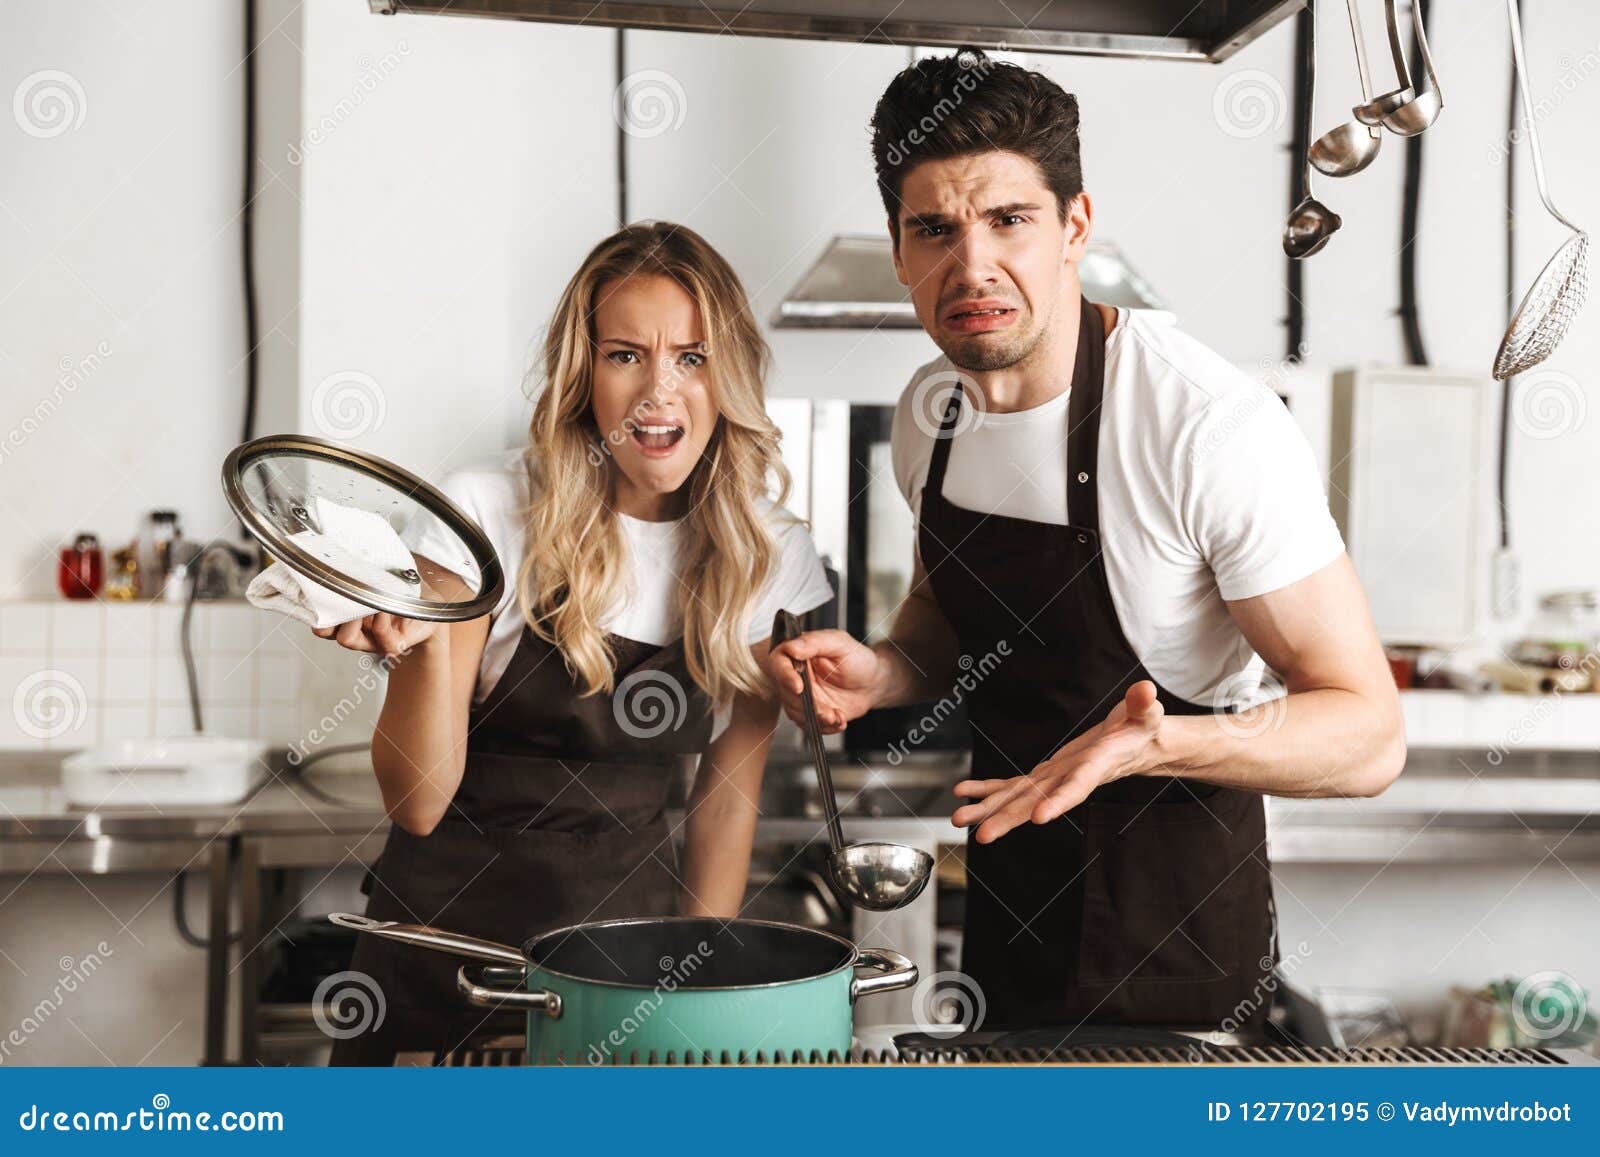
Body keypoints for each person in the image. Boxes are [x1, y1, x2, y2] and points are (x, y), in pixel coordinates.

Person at [765, 51, 1404, 1031]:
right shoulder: (928, 416)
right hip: (1008, 933)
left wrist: (1157, 744)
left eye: (1008, 220)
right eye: (933, 229)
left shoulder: (1202, 424)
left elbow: (1368, 735)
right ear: (897, 251)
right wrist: (885, 671)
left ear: (1074, 226)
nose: (970, 266)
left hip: (1179, 959)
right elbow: (947, 615)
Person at [323, 222, 833, 1063]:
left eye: (693, 358)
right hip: (437, 957)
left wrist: (696, 1000)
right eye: (625, 354)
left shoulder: (765, 553)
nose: (658, 393)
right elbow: (416, 801)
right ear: (582, 374)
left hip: (619, 976)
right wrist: (420, 642)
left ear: (729, 375)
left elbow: (725, 795)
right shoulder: (484, 514)